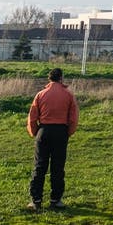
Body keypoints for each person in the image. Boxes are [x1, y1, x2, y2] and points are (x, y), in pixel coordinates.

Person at [27, 68, 79, 211]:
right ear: (61, 78)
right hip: (61, 132)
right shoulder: (68, 95)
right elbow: (73, 118)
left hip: (44, 131)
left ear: (49, 79)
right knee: (57, 167)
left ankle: (36, 200)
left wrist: (35, 132)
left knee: (39, 166)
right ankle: (55, 200)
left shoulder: (40, 94)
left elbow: (32, 116)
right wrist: (68, 132)